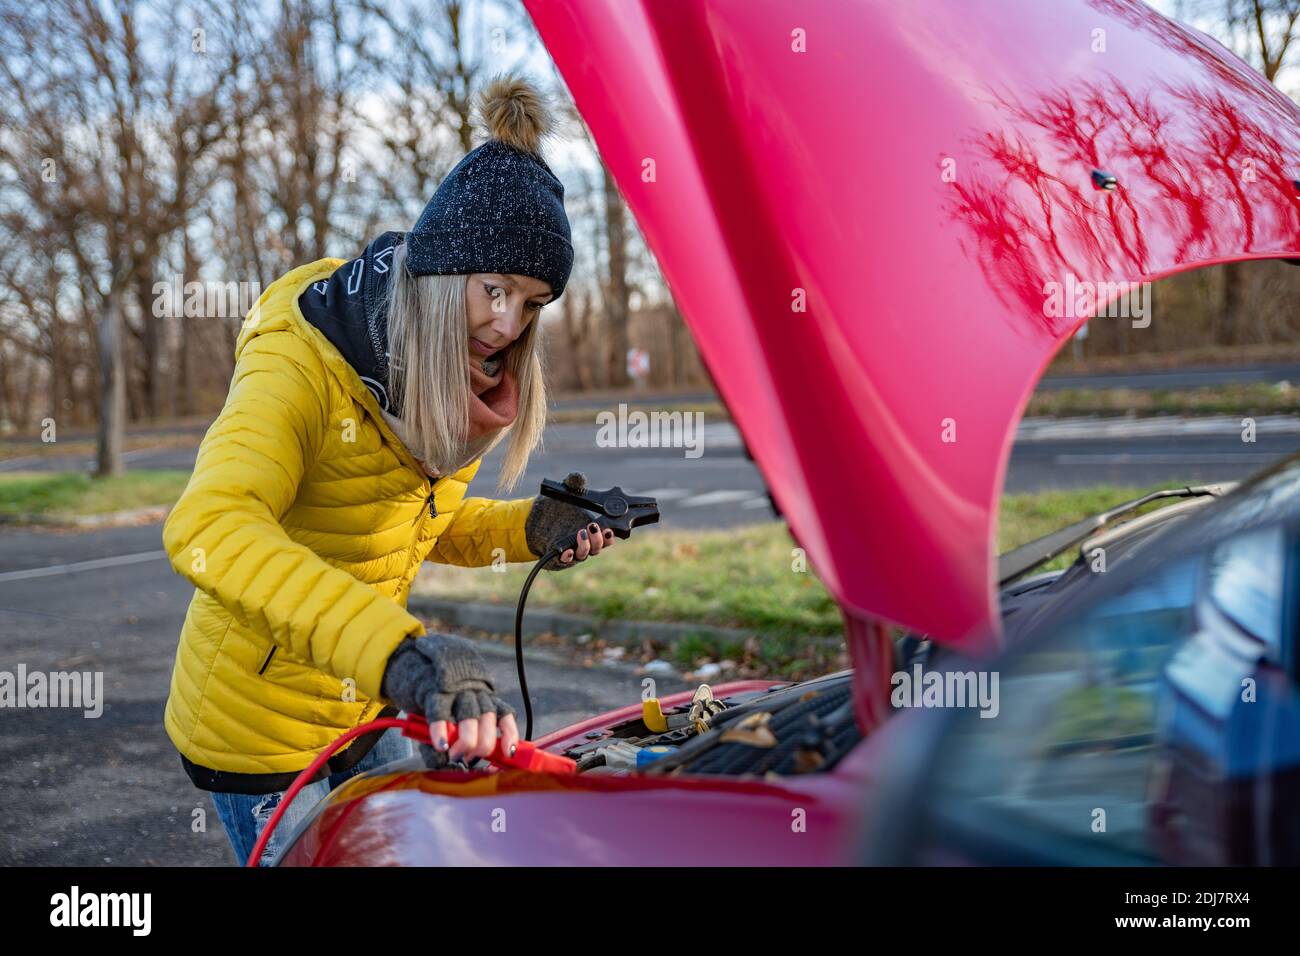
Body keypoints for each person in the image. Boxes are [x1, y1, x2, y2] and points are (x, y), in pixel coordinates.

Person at [161, 75, 615, 865]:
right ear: (443, 272)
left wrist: (531, 529)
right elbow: (209, 526)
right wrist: (400, 653)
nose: (508, 325)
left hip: (365, 699)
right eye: (495, 288)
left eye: (532, 302)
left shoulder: (449, 376)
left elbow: (404, 525)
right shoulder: (300, 364)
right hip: (263, 730)